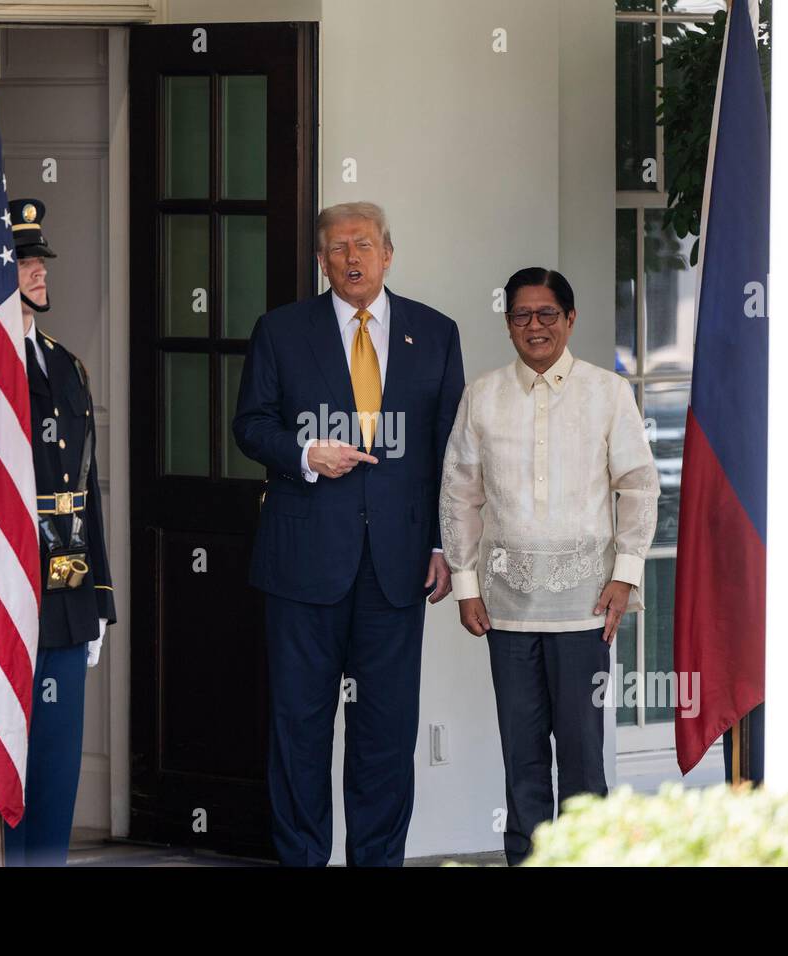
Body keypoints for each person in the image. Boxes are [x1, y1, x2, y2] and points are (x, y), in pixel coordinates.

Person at [233, 201, 465, 866]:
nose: (351, 257)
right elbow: (250, 425)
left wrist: (445, 546)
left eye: (363, 244)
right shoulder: (281, 331)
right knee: (299, 729)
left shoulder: (435, 332)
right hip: (303, 565)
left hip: (398, 568)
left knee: (386, 736)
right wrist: (306, 453)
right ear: (320, 260)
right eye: (336, 248)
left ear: (388, 253)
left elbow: (451, 451)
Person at [439, 266, 658, 866]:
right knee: (523, 752)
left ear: (570, 319)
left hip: (586, 606)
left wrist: (626, 574)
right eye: (521, 316)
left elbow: (638, 485)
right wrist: (466, 583)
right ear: (508, 323)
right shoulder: (483, 395)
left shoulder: (607, 393)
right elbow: (459, 492)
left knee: (584, 754)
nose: (534, 327)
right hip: (505, 608)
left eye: (546, 315)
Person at [0, 198, 116, 866]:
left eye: (40, 260)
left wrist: (100, 596)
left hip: (67, 598)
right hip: (0, 597)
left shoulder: (67, 366)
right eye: (25, 262)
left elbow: (86, 494)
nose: (40, 272)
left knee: (54, 773)